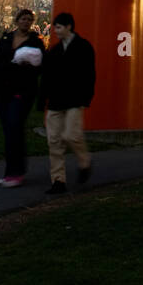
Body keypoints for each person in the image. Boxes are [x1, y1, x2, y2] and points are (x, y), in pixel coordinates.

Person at [0, 8, 44, 187]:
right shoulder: (6, 39)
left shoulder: (36, 42)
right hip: (3, 90)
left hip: (23, 91)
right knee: (9, 130)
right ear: (17, 20)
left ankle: (16, 172)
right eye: (23, 18)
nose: (26, 22)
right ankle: (13, 171)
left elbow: (41, 66)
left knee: (14, 126)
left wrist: (31, 65)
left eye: (29, 19)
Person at [37, 12, 96, 195]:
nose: (56, 31)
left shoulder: (84, 47)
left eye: (59, 27)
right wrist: (42, 100)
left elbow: (89, 74)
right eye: (55, 27)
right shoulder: (53, 52)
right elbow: (46, 78)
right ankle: (58, 181)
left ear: (69, 26)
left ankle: (84, 161)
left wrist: (86, 98)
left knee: (71, 135)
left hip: (75, 100)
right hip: (55, 102)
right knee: (54, 141)